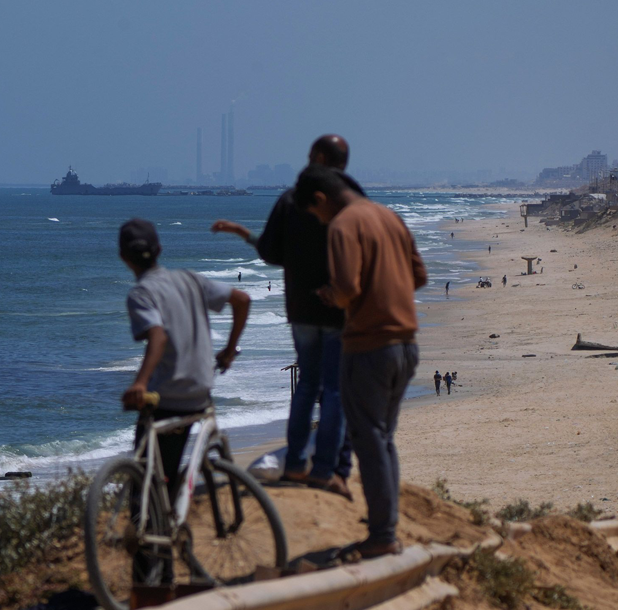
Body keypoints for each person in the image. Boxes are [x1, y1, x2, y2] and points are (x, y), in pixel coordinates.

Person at [209, 136, 357, 499]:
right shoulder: (350, 197)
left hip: (303, 310)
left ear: (320, 157)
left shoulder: (292, 199)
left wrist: (246, 235)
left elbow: (272, 253)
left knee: (308, 384)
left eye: (310, 155)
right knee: (335, 389)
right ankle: (324, 468)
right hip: (340, 307)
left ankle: (294, 462)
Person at [297, 165, 426, 559]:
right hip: (406, 342)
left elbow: (348, 288)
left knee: (369, 440)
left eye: (314, 214)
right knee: (383, 438)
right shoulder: (390, 217)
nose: (319, 221)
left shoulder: (341, 226)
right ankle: (384, 527)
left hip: (369, 346)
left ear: (320, 201)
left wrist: (329, 295)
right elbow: (418, 276)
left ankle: (383, 535)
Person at [119, 218, 250, 500]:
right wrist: (229, 350)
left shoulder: (141, 293)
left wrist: (140, 383)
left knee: (147, 484)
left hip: (168, 399)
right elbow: (242, 300)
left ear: (123, 257)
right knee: (169, 467)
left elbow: (157, 335)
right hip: (201, 392)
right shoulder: (189, 279)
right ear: (159, 249)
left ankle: (148, 529)